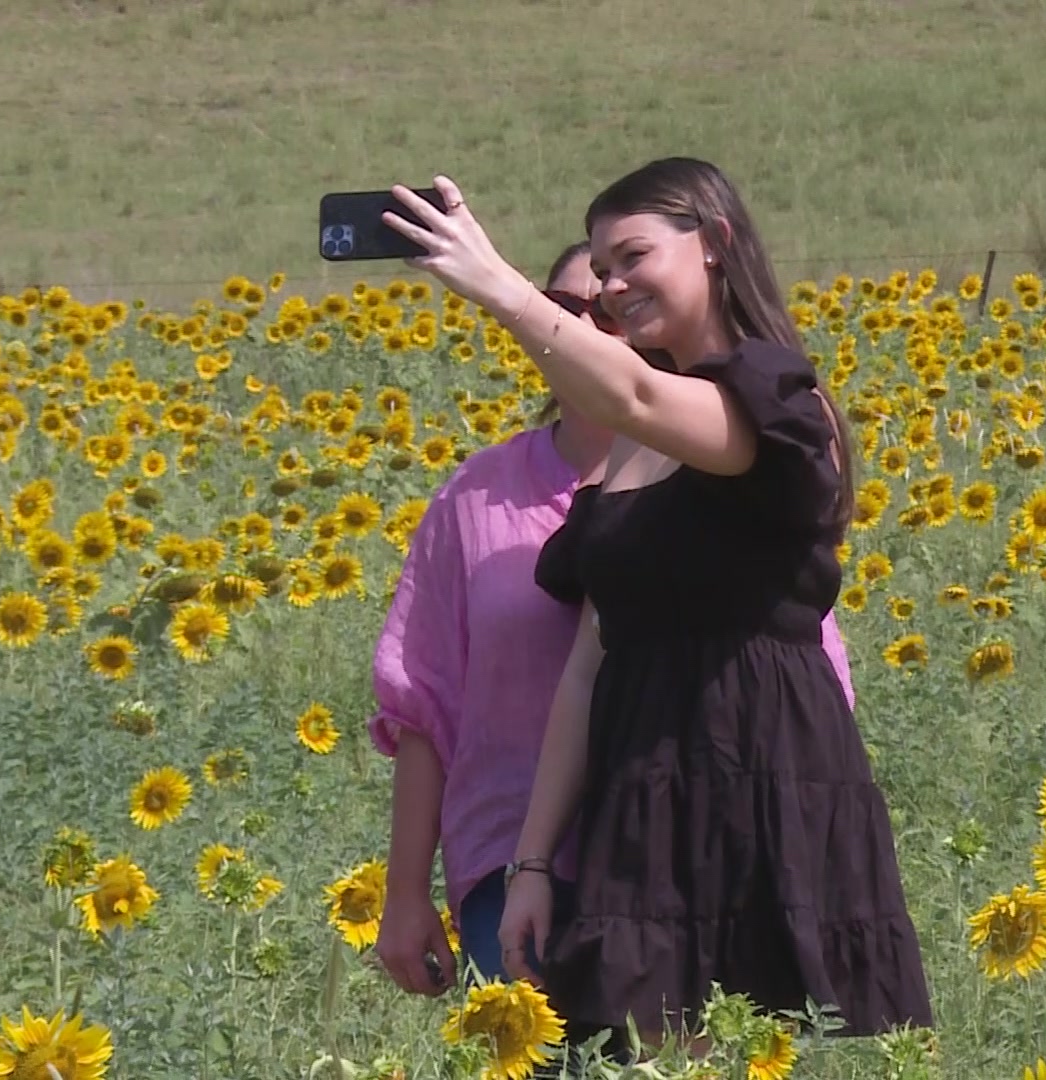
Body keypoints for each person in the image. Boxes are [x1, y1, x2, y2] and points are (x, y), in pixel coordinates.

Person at [381, 158, 934, 1044]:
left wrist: (496, 284)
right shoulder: (634, 456)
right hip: (640, 805)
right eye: (600, 268)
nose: (611, 285)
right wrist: (530, 862)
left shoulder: (776, 403)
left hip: (745, 785)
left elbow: (639, 391)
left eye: (632, 256)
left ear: (714, 243)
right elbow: (588, 666)